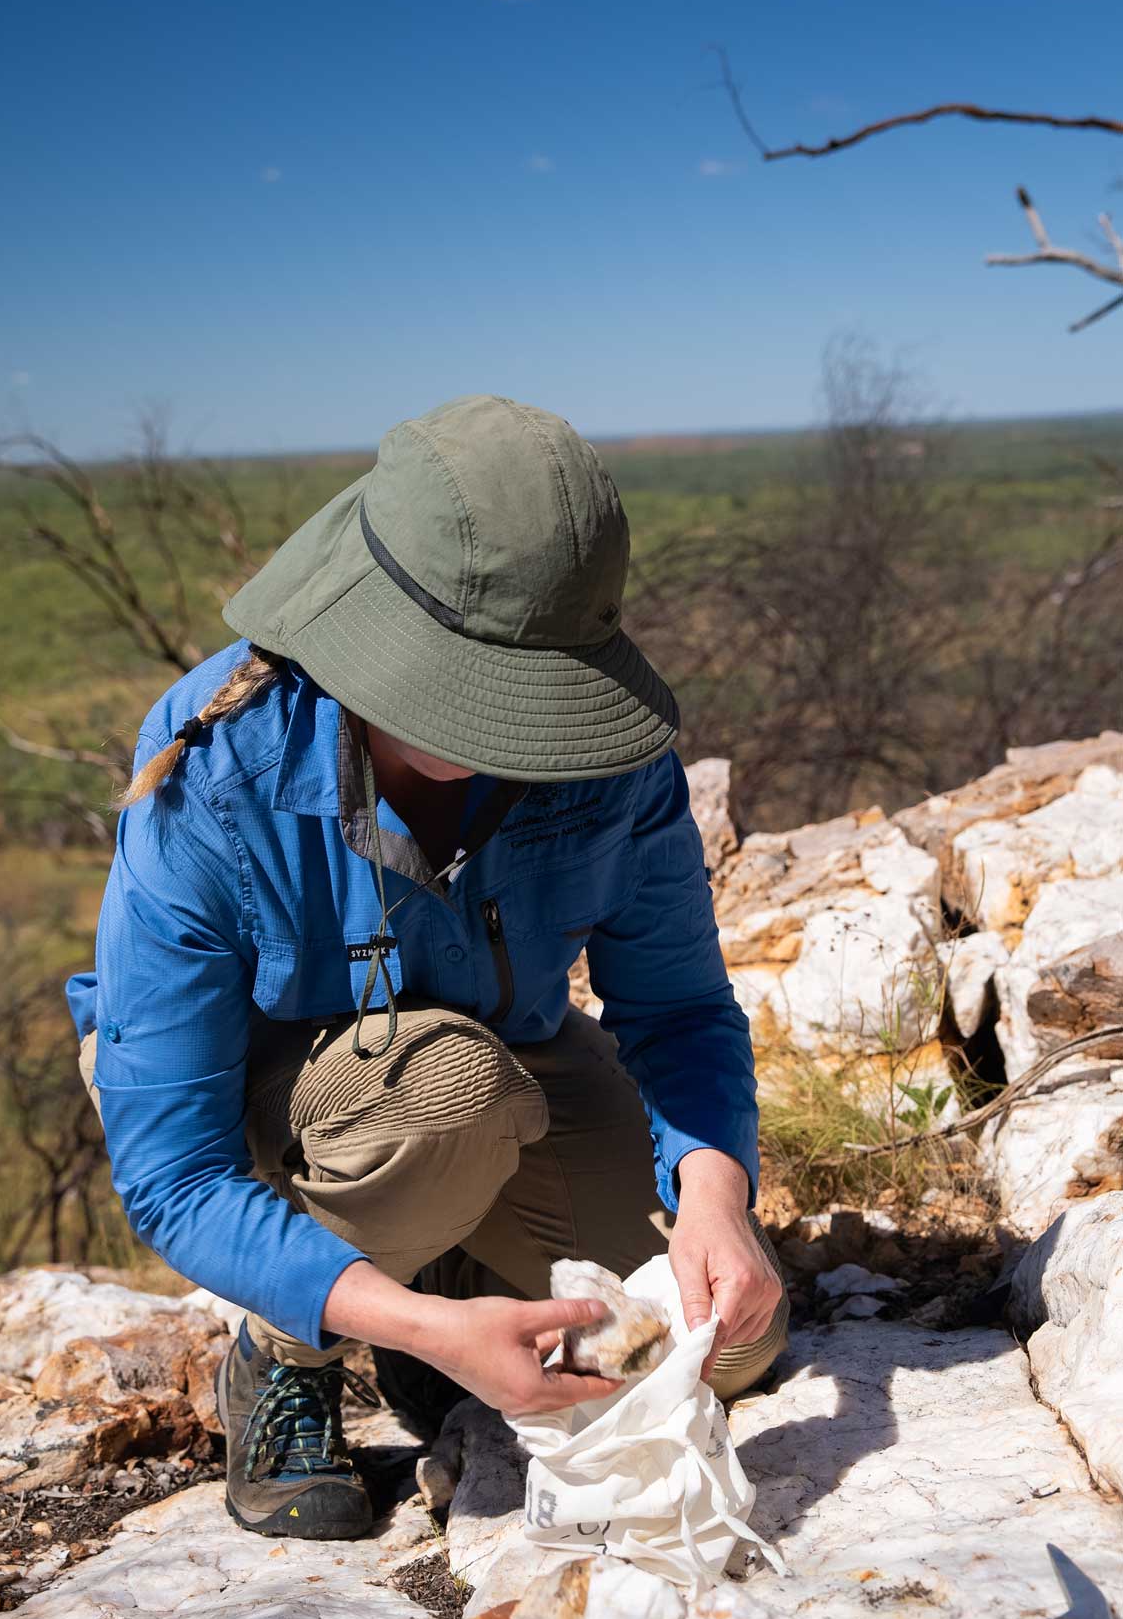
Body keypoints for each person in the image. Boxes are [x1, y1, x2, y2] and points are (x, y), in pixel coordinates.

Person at [65, 394, 788, 1541]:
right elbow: (177, 1170)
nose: (507, 732)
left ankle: (450, 1294)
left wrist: (715, 1193)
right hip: (285, 1102)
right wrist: (398, 1322)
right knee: (445, 1094)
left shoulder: (610, 764)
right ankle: (291, 1349)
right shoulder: (214, 763)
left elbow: (683, 1008)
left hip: (510, 1067)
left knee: (720, 1341)